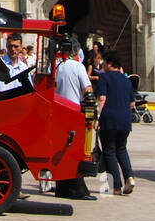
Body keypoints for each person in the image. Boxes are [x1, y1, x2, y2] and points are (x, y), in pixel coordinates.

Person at [53, 39, 96, 200]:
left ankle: (61, 187)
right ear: (76, 52)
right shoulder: (78, 67)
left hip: (57, 112)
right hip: (73, 112)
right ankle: (77, 189)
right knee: (74, 152)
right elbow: (87, 89)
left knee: (60, 150)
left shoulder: (55, 66)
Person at [94, 49, 136, 195]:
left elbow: (101, 99)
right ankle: (129, 177)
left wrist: (97, 118)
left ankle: (115, 186)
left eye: (104, 62)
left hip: (109, 119)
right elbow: (132, 104)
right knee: (121, 149)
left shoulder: (104, 78)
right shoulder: (126, 80)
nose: (102, 65)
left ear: (110, 63)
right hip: (125, 120)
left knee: (109, 151)